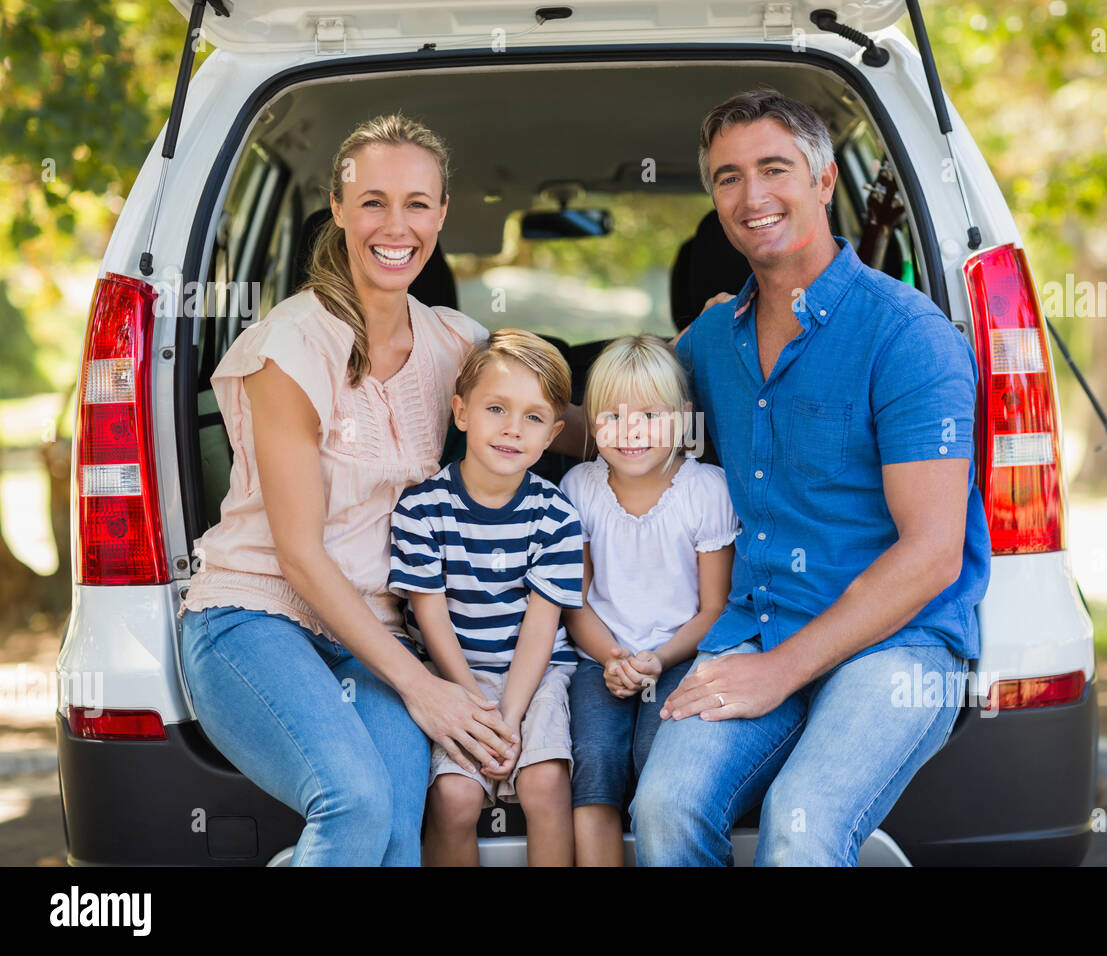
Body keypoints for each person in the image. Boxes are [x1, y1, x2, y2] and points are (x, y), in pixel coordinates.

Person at [177, 114, 569, 866]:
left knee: (395, 832)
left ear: (443, 213)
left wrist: (676, 364)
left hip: (375, 636)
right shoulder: (289, 347)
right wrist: (422, 688)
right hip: (256, 616)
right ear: (338, 206)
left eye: (418, 203)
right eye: (374, 201)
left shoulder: (455, 342)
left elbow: (554, 413)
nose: (397, 225)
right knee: (354, 804)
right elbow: (298, 554)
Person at [630, 88, 993, 866]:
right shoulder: (710, 341)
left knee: (801, 822)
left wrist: (778, 673)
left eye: (773, 169)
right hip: (758, 624)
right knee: (663, 811)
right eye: (728, 177)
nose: (752, 196)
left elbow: (931, 554)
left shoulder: (908, 336)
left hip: (898, 644)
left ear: (824, 180)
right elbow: (615, 420)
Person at [389, 329, 585, 866]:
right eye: (496, 408)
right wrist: (474, 706)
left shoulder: (557, 515)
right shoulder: (422, 508)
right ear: (461, 412)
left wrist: (512, 717)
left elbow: (542, 628)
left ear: (553, 436)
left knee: (546, 785)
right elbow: (429, 616)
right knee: (454, 798)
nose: (512, 429)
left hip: (535, 675)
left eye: (533, 417)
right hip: (453, 676)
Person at [558, 335, 739, 866]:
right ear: (590, 422)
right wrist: (612, 657)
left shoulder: (706, 490)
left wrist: (658, 659)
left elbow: (714, 609)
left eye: (649, 415)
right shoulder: (580, 487)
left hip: (680, 657)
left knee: (654, 758)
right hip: (601, 659)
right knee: (592, 760)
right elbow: (577, 600)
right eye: (611, 415)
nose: (630, 431)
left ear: (684, 418)